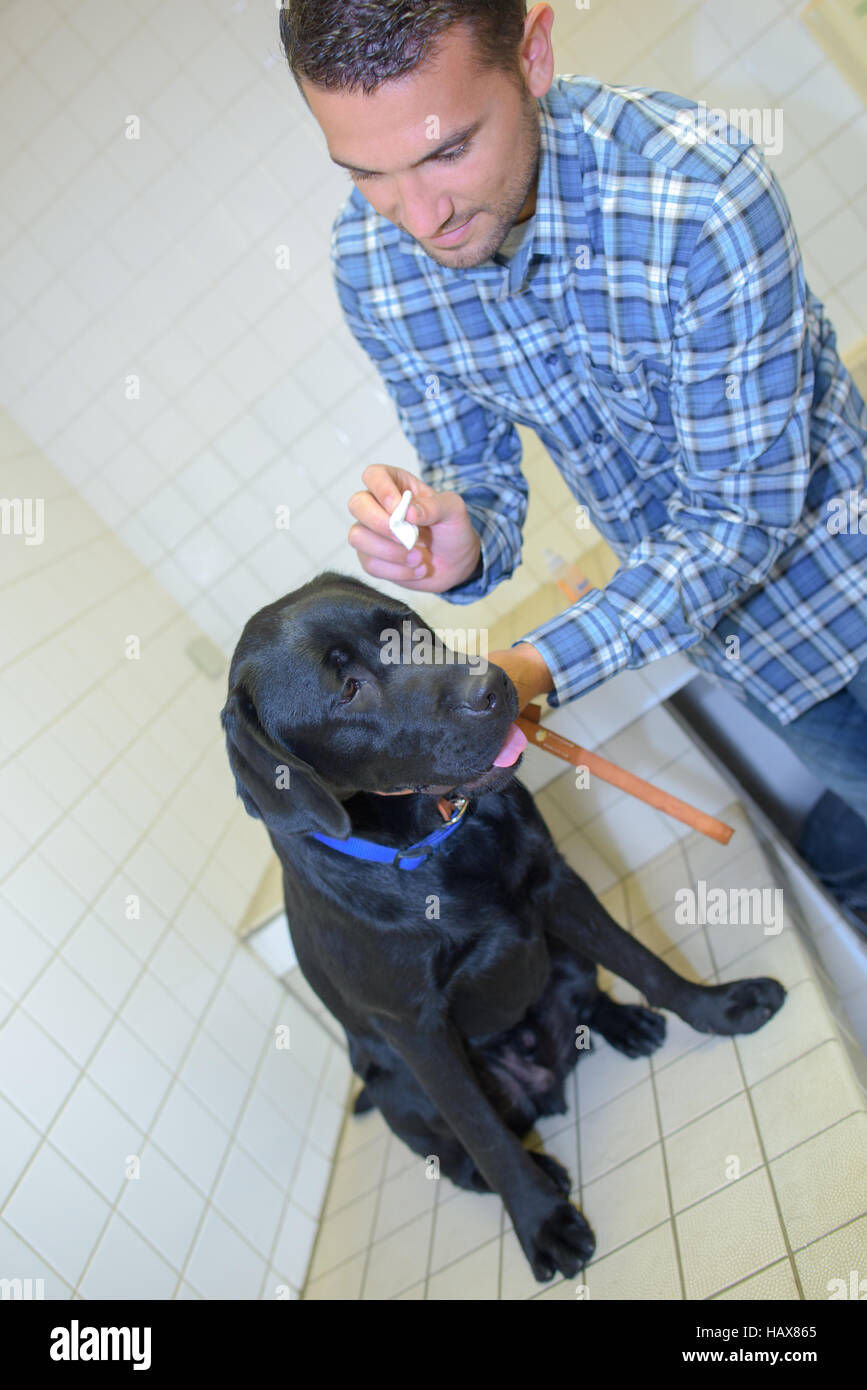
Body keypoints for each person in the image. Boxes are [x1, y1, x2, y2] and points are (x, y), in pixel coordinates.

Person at [280, 1, 867, 929]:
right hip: (750, 651)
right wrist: (461, 541)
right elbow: (472, 470)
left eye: (445, 152)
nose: (419, 218)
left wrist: (524, 669)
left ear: (535, 54)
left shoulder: (696, 194)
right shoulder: (373, 268)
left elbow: (738, 521)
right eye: (366, 172)